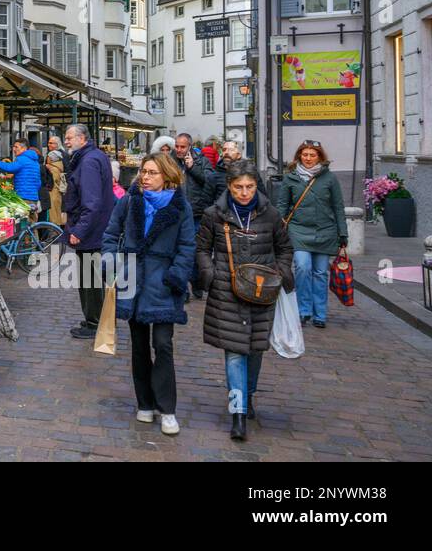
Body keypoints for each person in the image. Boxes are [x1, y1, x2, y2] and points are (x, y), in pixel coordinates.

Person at [195, 160, 293, 441]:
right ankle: (237, 411)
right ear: (229, 186)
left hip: (262, 292)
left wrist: (281, 272)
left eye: (249, 187)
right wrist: (210, 274)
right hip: (227, 290)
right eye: (238, 187)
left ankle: (248, 395)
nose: (244, 192)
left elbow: (285, 247)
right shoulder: (213, 215)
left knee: (255, 349)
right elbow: (202, 248)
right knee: (235, 351)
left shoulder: (270, 214)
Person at [100, 152, 196, 436]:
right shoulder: (130, 201)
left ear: (166, 175)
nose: (145, 176)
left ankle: (167, 409)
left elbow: (187, 246)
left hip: (164, 283)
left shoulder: (180, 206)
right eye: (144, 171)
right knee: (139, 345)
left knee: (163, 344)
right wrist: (111, 262)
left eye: (152, 172)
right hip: (133, 280)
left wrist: (176, 275)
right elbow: (110, 234)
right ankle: (144, 403)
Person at [277, 140, 347, 330]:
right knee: (302, 267)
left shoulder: (329, 179)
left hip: (325, 231)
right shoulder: (290, 177)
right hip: (299, 230)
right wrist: (277, 228)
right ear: (299, 155)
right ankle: (303, 310)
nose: (308, 158)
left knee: (320, 272)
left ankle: (320, 314)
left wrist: (343, 233)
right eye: (304, 154)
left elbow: (338, 206)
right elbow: (282, 205)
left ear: (320, 157)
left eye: (312, 155)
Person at [62, 123, 116, 339]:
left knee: (90, 279)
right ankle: (94, 319)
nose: (66, 141)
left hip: (91, 232)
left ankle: (94, 324)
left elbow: (91, 201)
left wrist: (79, 231)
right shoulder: (93, 157)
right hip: (96, 229)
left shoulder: (89, 161)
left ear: (82, 138)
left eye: (69, 137)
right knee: (91, 278)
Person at [174, 132, 220, 299]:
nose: (179, 150)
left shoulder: (202, 161)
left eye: (182, 147)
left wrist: (193, 168)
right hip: (176, 213)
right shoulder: (170, 161)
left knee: (194, 250)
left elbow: (210, 181)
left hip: (196, 213)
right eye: (177, 146)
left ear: (190, 146)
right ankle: (183, 288)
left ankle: (196, 280)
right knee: (179, 250)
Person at [0, 139, 42, 215]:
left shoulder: (22, 159)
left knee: (23, 222)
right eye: (13, 147)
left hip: (24, 197)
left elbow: (8, 168)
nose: (14, 149)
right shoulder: (34, 161)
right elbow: (38, 182)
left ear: (23, 148)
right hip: (33, 197)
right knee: (32, 221)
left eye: (16, 147)